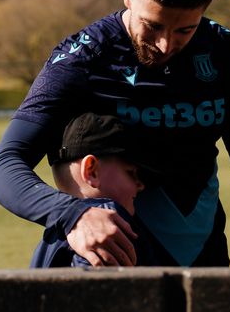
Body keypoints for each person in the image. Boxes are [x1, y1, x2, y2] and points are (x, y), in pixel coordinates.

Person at [0, 0, 230, 267]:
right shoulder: (84, 58)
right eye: (152, 25)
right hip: (114, 245)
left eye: (185, 30)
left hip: (203, 246)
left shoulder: (224, 52)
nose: (166, 44)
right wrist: (71, 215)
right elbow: (3, 166)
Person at [31, 112, 156, 268]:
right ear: (92, 170)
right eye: (131, 173)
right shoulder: (107, 220)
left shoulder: (55, 229)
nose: (141, 185)